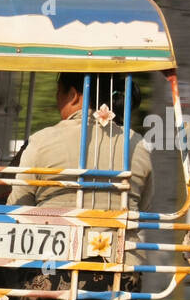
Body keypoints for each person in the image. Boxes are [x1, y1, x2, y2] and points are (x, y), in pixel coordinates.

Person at [8, 71, 152, 212]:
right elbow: (144, 208)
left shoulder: (41, 141)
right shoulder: (137, 144)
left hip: (56, 233)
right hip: (121, 235)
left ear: (73, 95)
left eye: (58, 93)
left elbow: (18, 206)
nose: (57, 101)